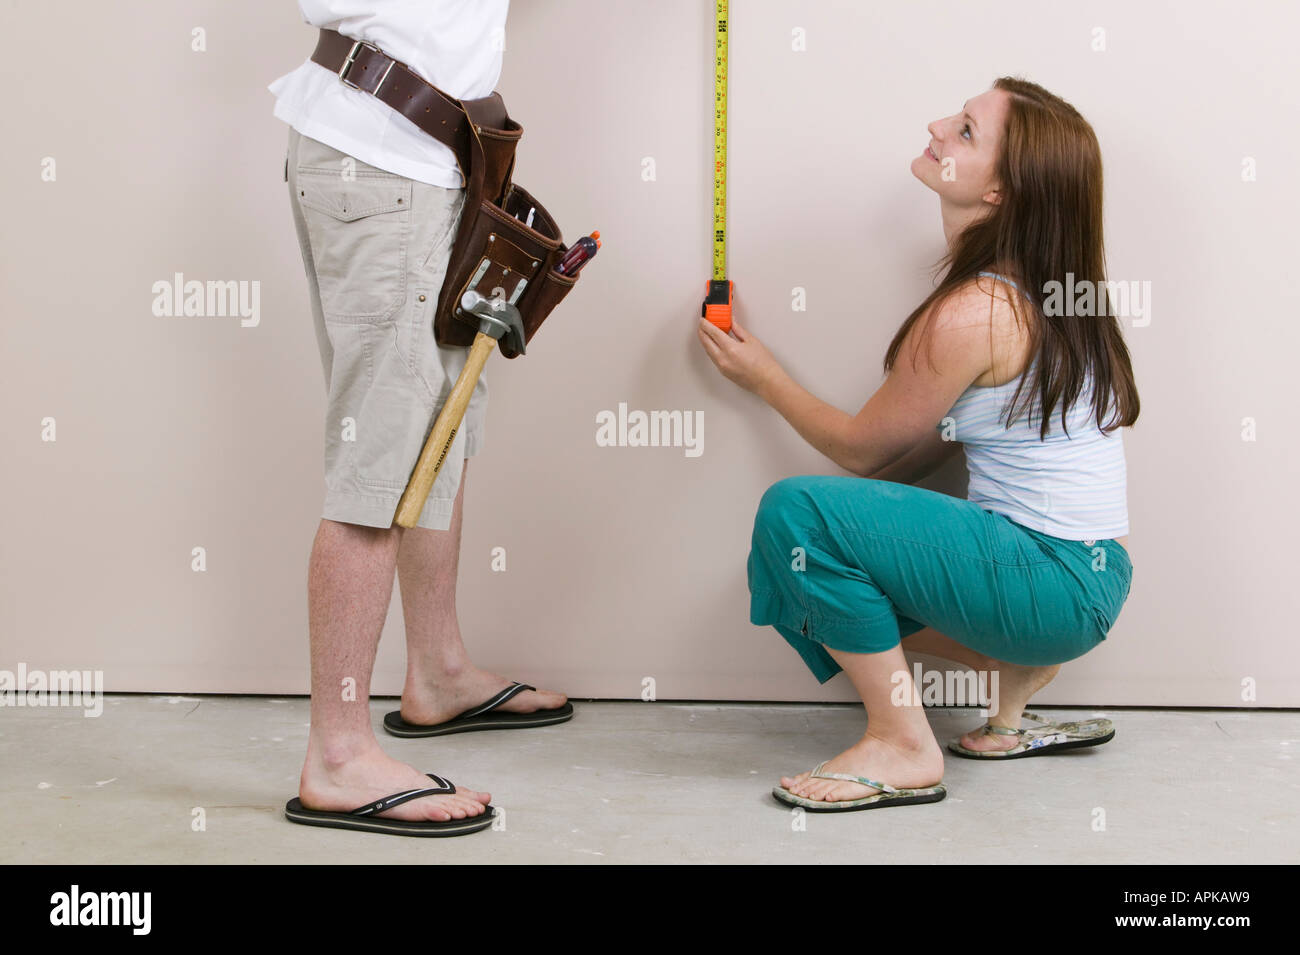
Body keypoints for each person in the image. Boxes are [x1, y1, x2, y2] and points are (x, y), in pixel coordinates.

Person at [698, 77, 1138, 812]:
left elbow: (863, 451)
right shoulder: (1042, 292)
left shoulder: (978, 310)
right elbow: (935, 445)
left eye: (966, 131)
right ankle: (1006, 679)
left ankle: (903, 741)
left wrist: (763, 374)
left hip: (1053, 580)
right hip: (1090, 577)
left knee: (796, 520)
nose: (937, 126)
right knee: (801, 570)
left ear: (1001, 192)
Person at [270, 0, 570, 837]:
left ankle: (437, 672)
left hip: (401, 153)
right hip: (388, 159)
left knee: (436, 427)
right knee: (385, 463)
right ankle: (338, 754)